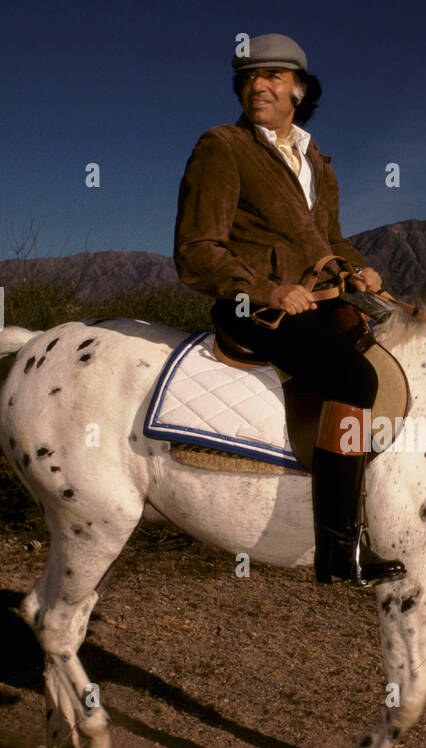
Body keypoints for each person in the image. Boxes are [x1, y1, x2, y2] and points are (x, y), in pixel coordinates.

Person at [174, 33, 406, 588]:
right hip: (249, 306)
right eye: (250, 78)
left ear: (298, 90)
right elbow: (196, 248)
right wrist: (266, 290)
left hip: (314, 305)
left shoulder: (317, 163)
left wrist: (357, 269)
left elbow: (326, 239)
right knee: (352, 377)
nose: (259, 85)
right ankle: (339, 550)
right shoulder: (222, 146)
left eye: (274, 76)